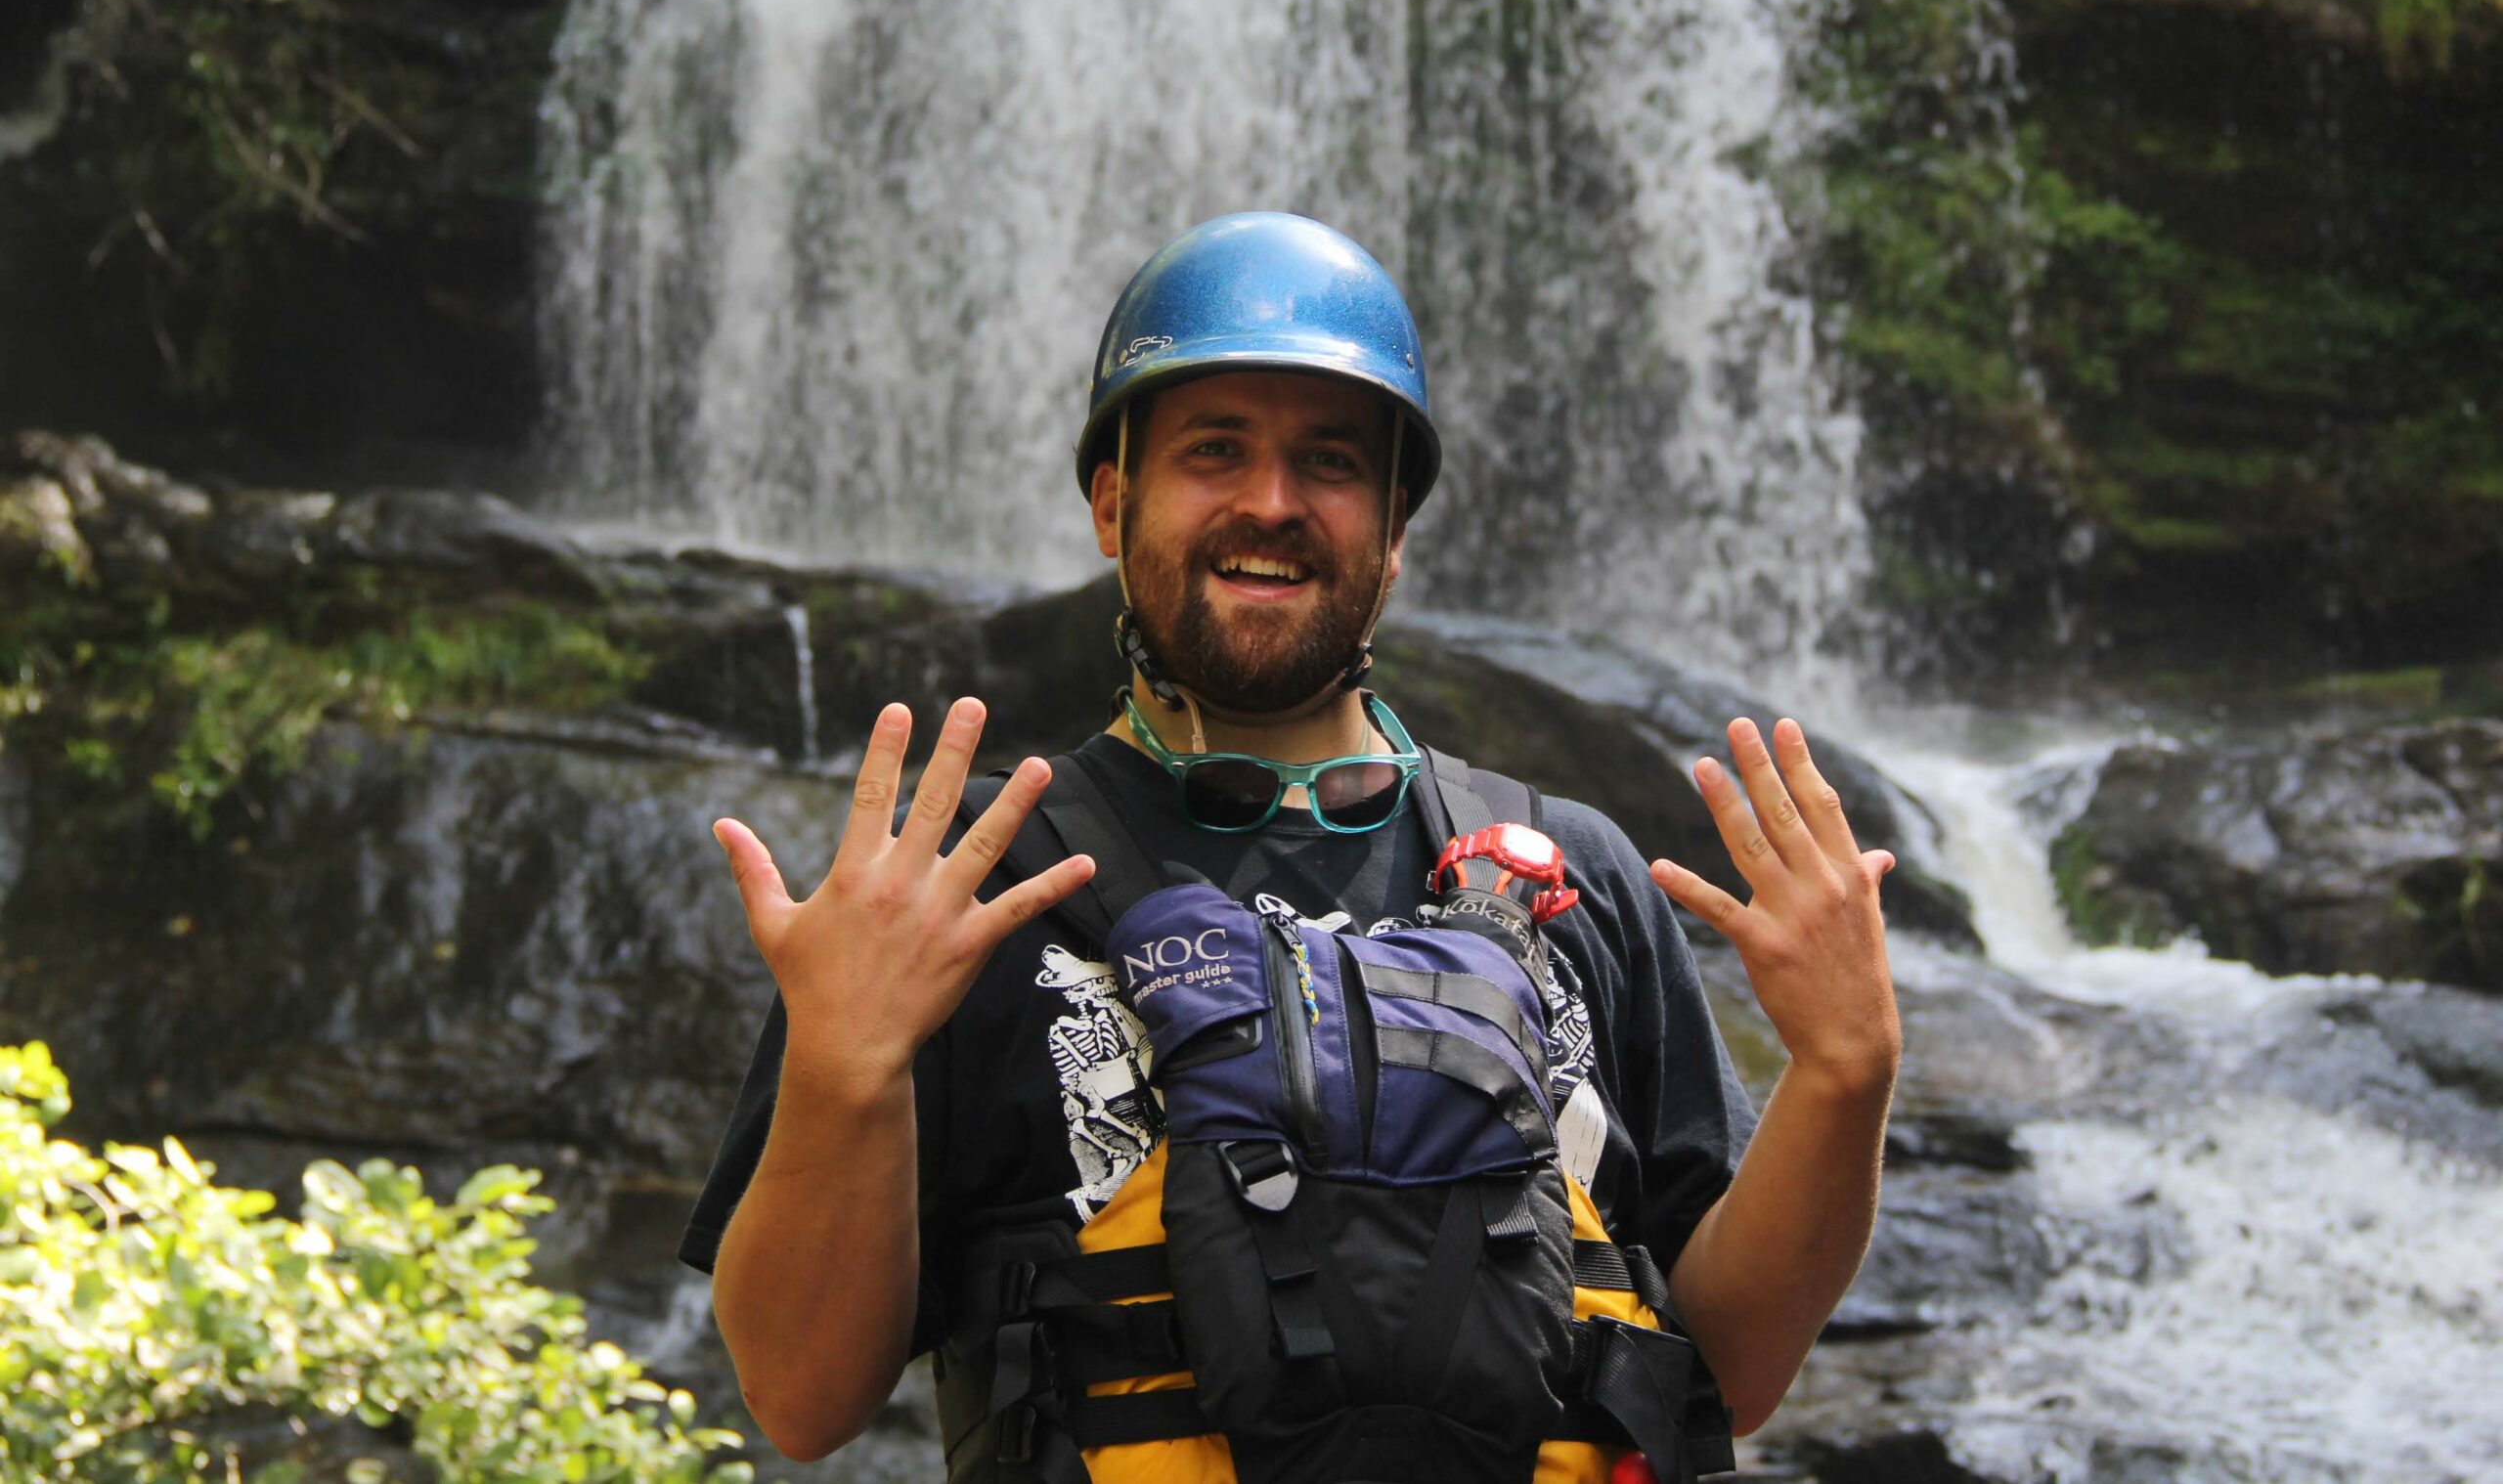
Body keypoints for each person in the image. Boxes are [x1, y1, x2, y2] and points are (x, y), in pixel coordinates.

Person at [681, 212, 1901, 1478]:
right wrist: (842, 1067)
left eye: (1328, 461)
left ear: (1395, 528)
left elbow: (1734, 1374)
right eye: (1216, 451)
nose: (1272, 502)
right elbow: (800, 1399)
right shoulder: (961, 893)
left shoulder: (1576, 875)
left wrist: (1843, 1073)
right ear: (1112, 503)